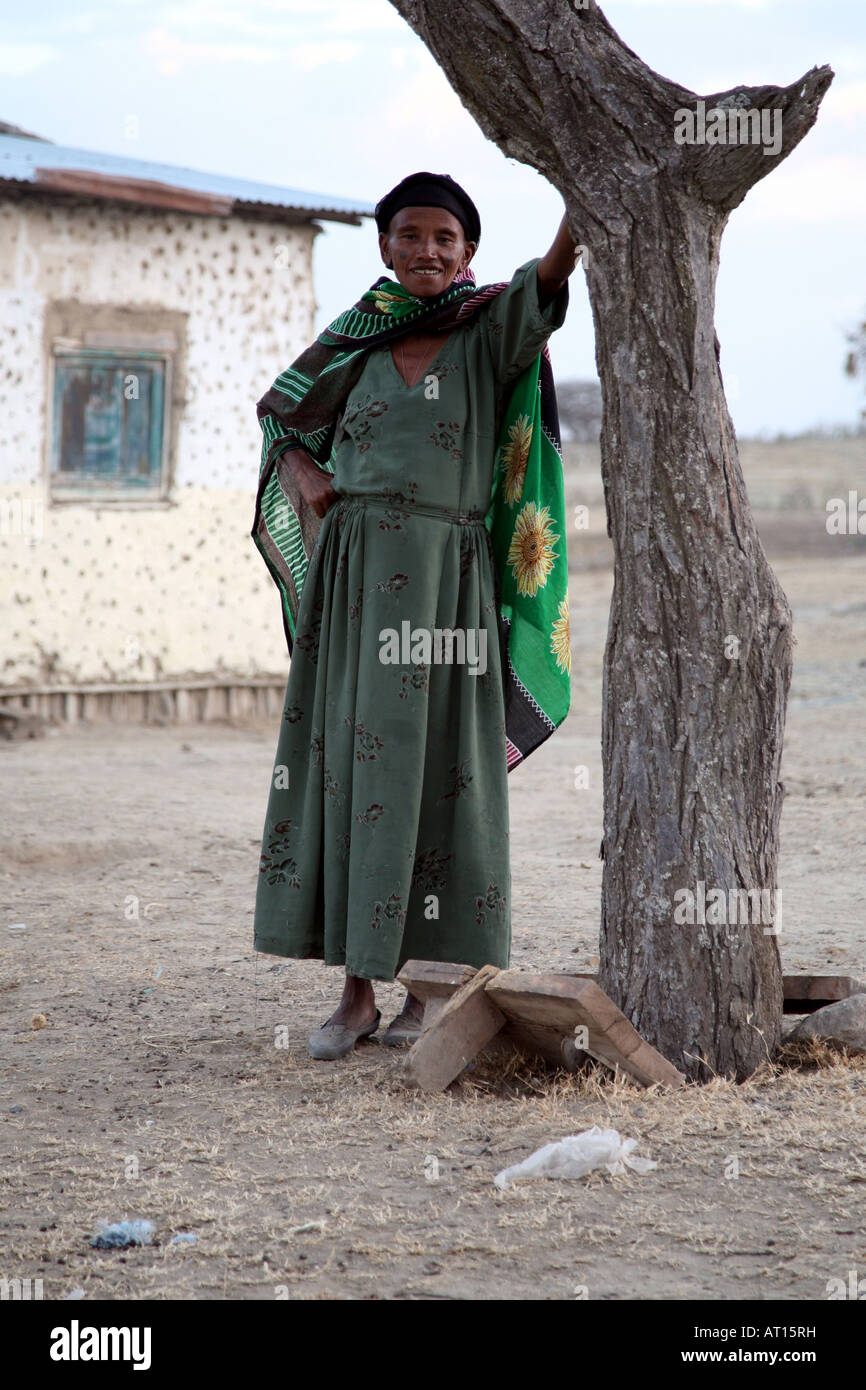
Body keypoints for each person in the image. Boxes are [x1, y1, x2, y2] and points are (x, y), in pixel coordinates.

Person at [251, 171, 579, 1059]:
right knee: (349, 772)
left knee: (444, 772)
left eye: (445, 238)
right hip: (353, 582)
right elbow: (283, 419)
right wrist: (303, 472)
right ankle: (354, 994)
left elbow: (547, 282)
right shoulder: (355, 344)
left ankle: (427, 992)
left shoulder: (487, 333)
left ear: (468, 251)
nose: (427, 251)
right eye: (409, 235)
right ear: (386, 246)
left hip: (448, 583)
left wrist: (580, 206)